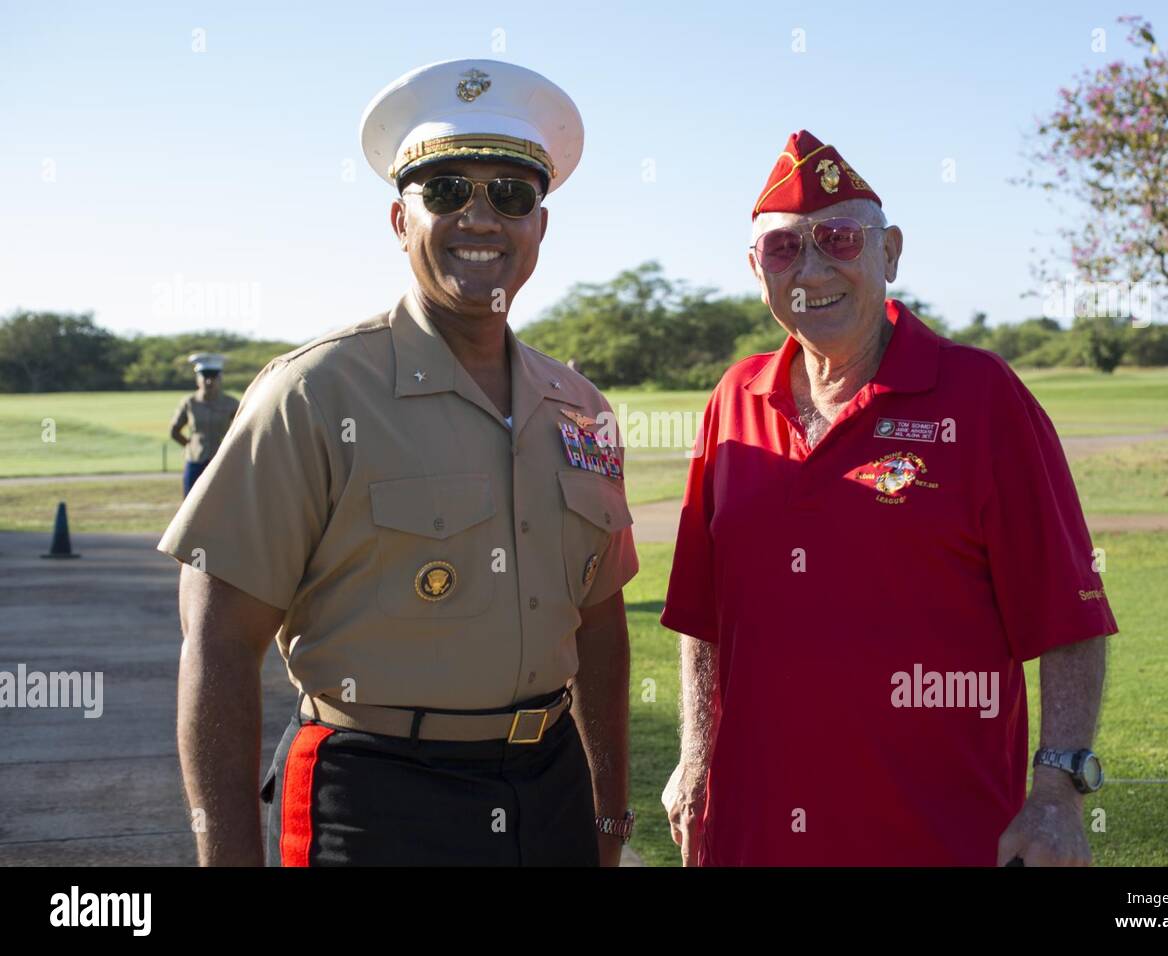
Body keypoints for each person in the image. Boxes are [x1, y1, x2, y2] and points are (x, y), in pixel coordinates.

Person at [157, 59, 638, 866]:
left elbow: (599, 625)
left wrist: (609, 812)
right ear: (398, 219)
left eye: (511, 195)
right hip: (376, 795)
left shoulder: (581, 407)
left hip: (550, 784)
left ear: (540, 227)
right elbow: (218, 642)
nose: (481, 218)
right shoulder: (311, 394)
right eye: (447, 191)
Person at [662, 130, 1118, 866]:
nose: (812, 267)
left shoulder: (981, 395)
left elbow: (1069, 614)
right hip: (752, 833)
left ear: (890, 253)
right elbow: (703, 620)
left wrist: (1058, 791)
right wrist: (693, 761)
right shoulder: (733, 398)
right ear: (756, 269)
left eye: (839, 239)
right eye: (783, 249)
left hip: (944, 835)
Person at [169, 353, 239, 496]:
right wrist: (190, 445)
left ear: (220, 378)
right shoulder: (189, 402)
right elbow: (174, 431)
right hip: (195, 461)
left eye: (213, 376)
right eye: (205, 376)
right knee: (191, 504)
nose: (209, 381)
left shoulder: (231, 403)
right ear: (198, 378)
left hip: (222, 461)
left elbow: (244, 430)